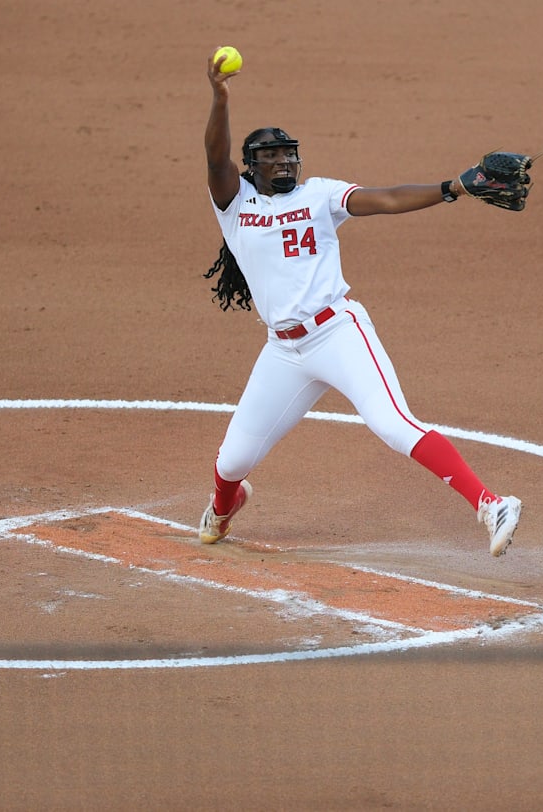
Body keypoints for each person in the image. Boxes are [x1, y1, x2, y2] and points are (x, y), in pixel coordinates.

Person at [198, 48, 524, 557]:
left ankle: (491, 504)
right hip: (282, 352)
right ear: (251, 166)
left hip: (337, 332)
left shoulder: (319, 195)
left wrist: (453, 188)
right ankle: (224, 506)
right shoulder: (236, 203)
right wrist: (220, 97)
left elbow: (386, 198)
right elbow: (215, 157)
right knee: (232, 460)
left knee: (393, 424)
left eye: (289, 154)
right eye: (271, 156)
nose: (283, 161)